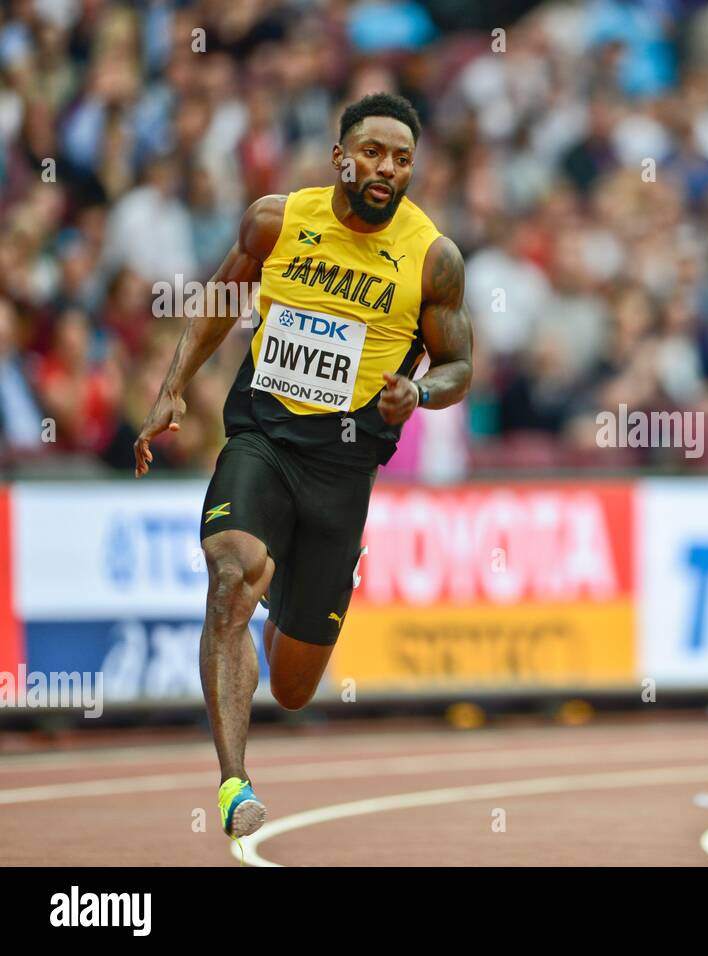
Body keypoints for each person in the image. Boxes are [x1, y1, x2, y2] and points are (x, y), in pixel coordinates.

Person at [134, 93, 473, 841]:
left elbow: (460, 366)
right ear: (340, 158)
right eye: (373, 153)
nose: (387, 169)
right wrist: (172, 389)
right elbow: (221, 297)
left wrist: (419, 392)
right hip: (262, 436)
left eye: (403, 159)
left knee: (292, 687)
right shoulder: (277, 220)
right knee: (230, 575)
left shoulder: (432, 258)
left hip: (343, 471)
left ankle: (302, 580)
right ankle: (234, 783)